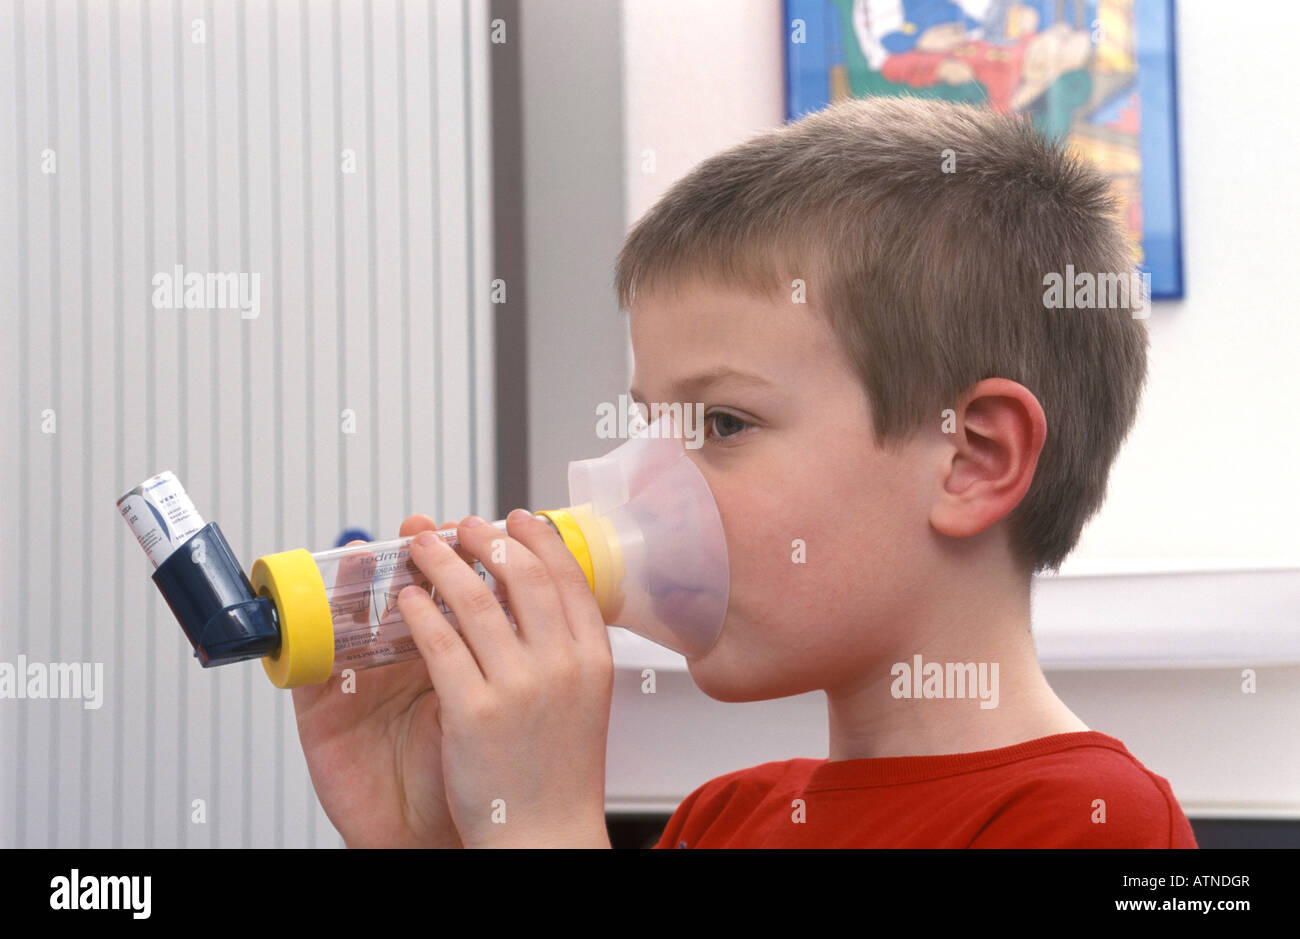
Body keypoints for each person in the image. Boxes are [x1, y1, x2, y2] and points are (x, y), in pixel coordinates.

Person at [292, 95, 1196, 848]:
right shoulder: (721, 820)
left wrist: (548, 830)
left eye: (722, 422)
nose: (644, 485)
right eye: (652, 426)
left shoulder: (1095, 820)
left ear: (971, 459)